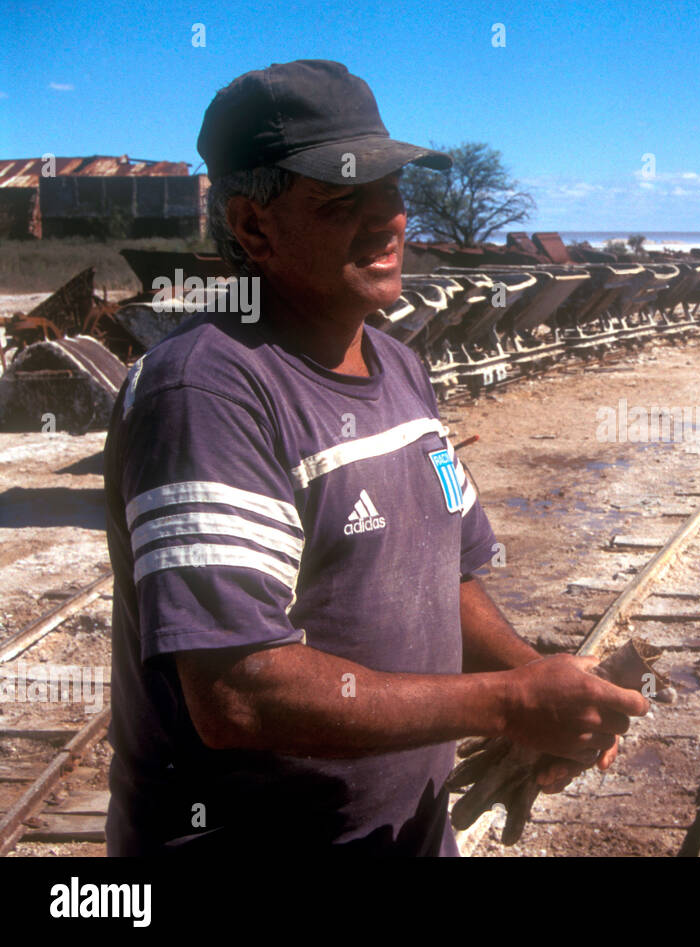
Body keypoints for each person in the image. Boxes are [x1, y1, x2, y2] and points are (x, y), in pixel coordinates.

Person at [103, 59, 648, 855]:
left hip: (408, 832)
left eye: (393, 191)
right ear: (253, 227)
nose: (389, 220)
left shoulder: (398, 368)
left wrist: (552, 694)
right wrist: (506, 705)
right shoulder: (208, 391)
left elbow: (445, 576)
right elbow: (238, 694)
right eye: (341, 200)